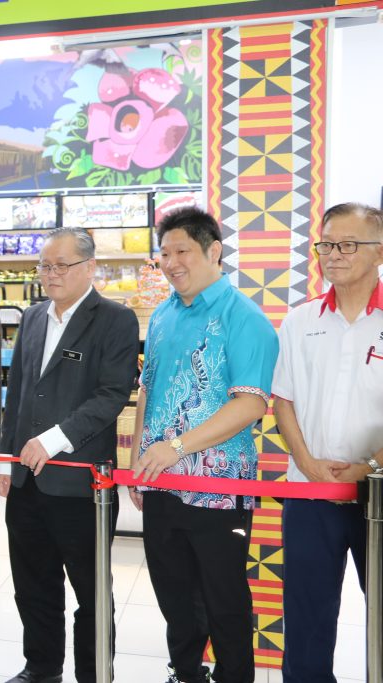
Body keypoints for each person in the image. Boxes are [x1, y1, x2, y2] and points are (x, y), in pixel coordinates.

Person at [129, 207, 279, 683]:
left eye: (182, 251)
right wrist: (137, 461)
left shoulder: (246, 318)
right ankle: (187, 672)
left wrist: (176, 445)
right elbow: (148, 390)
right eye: (165, 253)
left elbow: (251, 404)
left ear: (213, 251)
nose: (171, 262)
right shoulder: (162, 316)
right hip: (159, 485)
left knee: (224, 599)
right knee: (174, 594)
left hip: (218, 488)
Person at [0, 228, 138, 683]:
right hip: (26, 481)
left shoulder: (116, 319)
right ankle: (41, 667)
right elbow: (16, 392)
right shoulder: (34, 317)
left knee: (91, 591)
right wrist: (3, 457)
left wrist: (53, 440)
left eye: (61, 266)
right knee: (33, 584)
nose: (50, 275)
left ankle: (93, 673)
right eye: (44, 266)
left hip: (82, 486)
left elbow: (111, 395)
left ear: (89, 267)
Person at [271, 203, 383, 682]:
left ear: (378, 251)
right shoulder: (300, 321)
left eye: (347, 244)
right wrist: (307, 462)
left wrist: (370, 467)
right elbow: (283, 401)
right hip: (309, 489)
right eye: (326, 244)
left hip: (376, 492)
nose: (333, 255)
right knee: (307, 614)